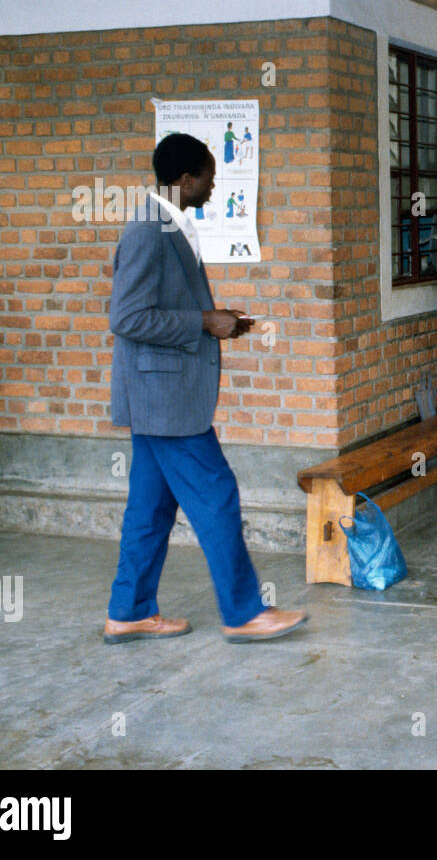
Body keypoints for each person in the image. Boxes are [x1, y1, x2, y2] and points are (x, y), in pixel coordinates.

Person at [106, 132, 307, 644]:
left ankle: (128, 611)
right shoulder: (150, 230)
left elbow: (164, 309)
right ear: (186, 179)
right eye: (210, 177)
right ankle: (244, 613)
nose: (214, 187)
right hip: (165, 399)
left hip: (160, 396)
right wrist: (201, 321)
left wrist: (219, 320)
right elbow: (127, 318)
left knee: (150, 509)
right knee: (217, 494)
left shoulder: (170, 224)